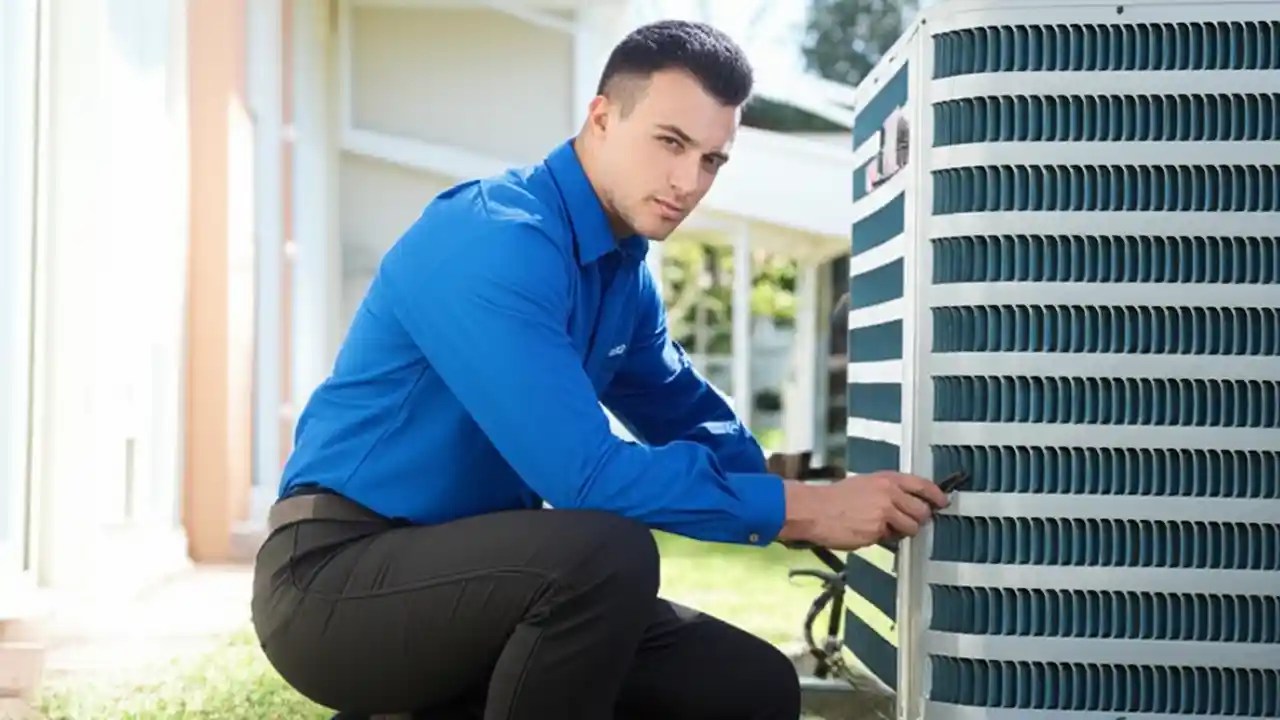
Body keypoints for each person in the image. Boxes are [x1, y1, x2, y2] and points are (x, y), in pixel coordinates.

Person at [251, 18, 949, 720]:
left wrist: (809, 491)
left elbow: (682, 407)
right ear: (603, 118)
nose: (689, 181)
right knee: (606, 553)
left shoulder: (622, 275)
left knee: (748, 686)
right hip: (333, 586)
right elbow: (581, 473)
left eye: (712, 160)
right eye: (671, 142)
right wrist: (806, 512)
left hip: (482, 587)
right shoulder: (494, 240)